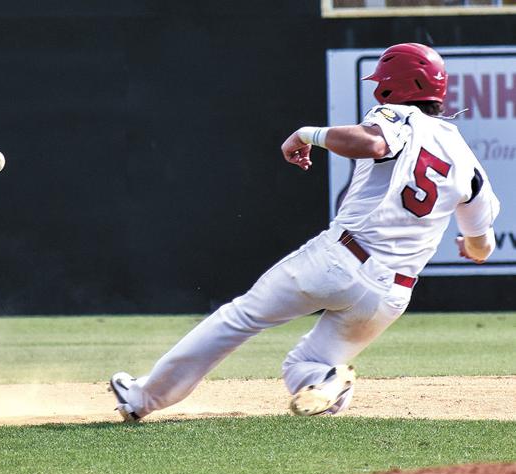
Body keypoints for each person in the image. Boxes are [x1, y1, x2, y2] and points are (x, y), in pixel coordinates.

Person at [110, 43, 500, 420]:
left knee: (241, 317)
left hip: (343, 258)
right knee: (305, 365)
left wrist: (306, 133)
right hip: (391, 294)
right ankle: (328, 381)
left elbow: (373, 143)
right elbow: (482, 245)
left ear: (391, 85)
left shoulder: (398, 116)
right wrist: (473, 245)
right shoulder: (467, 162)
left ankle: (144, 397)